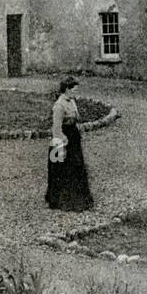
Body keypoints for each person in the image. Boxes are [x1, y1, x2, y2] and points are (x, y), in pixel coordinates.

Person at [45, 76, 94, 211]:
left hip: (73, 136)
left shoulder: (72, 102)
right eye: (74, 90)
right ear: (66, 89)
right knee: (59, 169)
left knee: (77, 167)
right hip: (61, 139)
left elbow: (77, 118)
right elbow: (56, 128)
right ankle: (58, 200)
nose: (75, 93)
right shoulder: (59, 106)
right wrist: (63, 145)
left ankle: (78, 198)